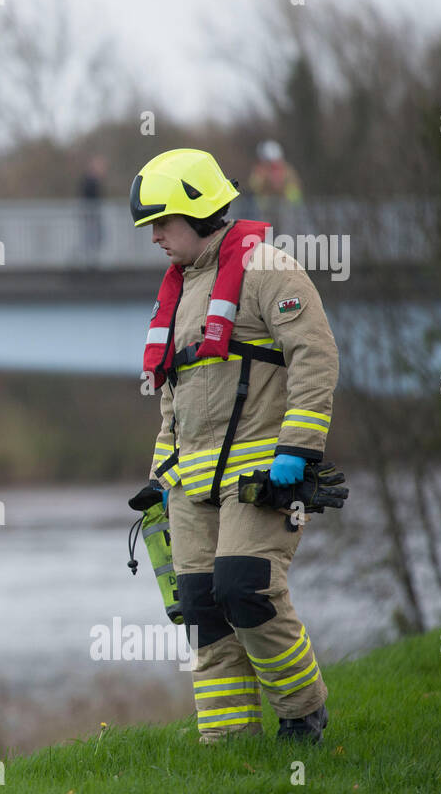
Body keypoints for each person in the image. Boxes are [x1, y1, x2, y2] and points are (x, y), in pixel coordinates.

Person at [130, 148, 339, 745]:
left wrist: (299, 449)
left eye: (161, 225)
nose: (154, 239)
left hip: (263, 475)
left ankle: (303, 714)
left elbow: (315, 357)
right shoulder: (177, 291)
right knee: (200, 606)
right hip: (190, 484)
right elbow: (175, 391)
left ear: (197, 213)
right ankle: (229, 747)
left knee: (245, 588)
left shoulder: (269, 270)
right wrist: (160, 474)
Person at [247, 140, 303, 237]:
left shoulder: (287, 170)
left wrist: (285, 192)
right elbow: (254, 186)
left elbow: (295, 190)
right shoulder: (260, 171)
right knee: (267, 235)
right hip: (265, 210)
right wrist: (264, 178)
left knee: (285, 236)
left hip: (285, 209)